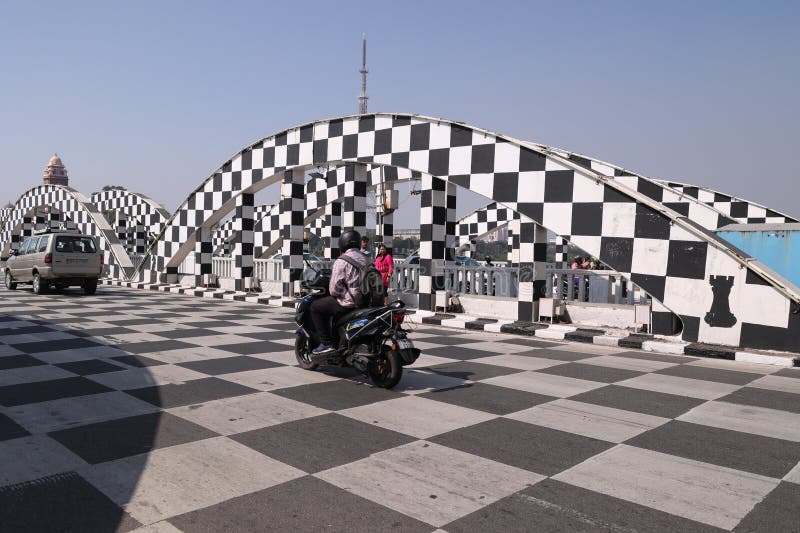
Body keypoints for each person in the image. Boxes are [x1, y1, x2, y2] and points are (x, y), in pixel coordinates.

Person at [310, 230, 368, 356]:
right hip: (366, 303)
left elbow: (334, 290)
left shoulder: (342, 261)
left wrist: (340, 292)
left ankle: (326, 343)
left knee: (316, 307)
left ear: (342, 244)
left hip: (349, 303)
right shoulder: (367, 259)